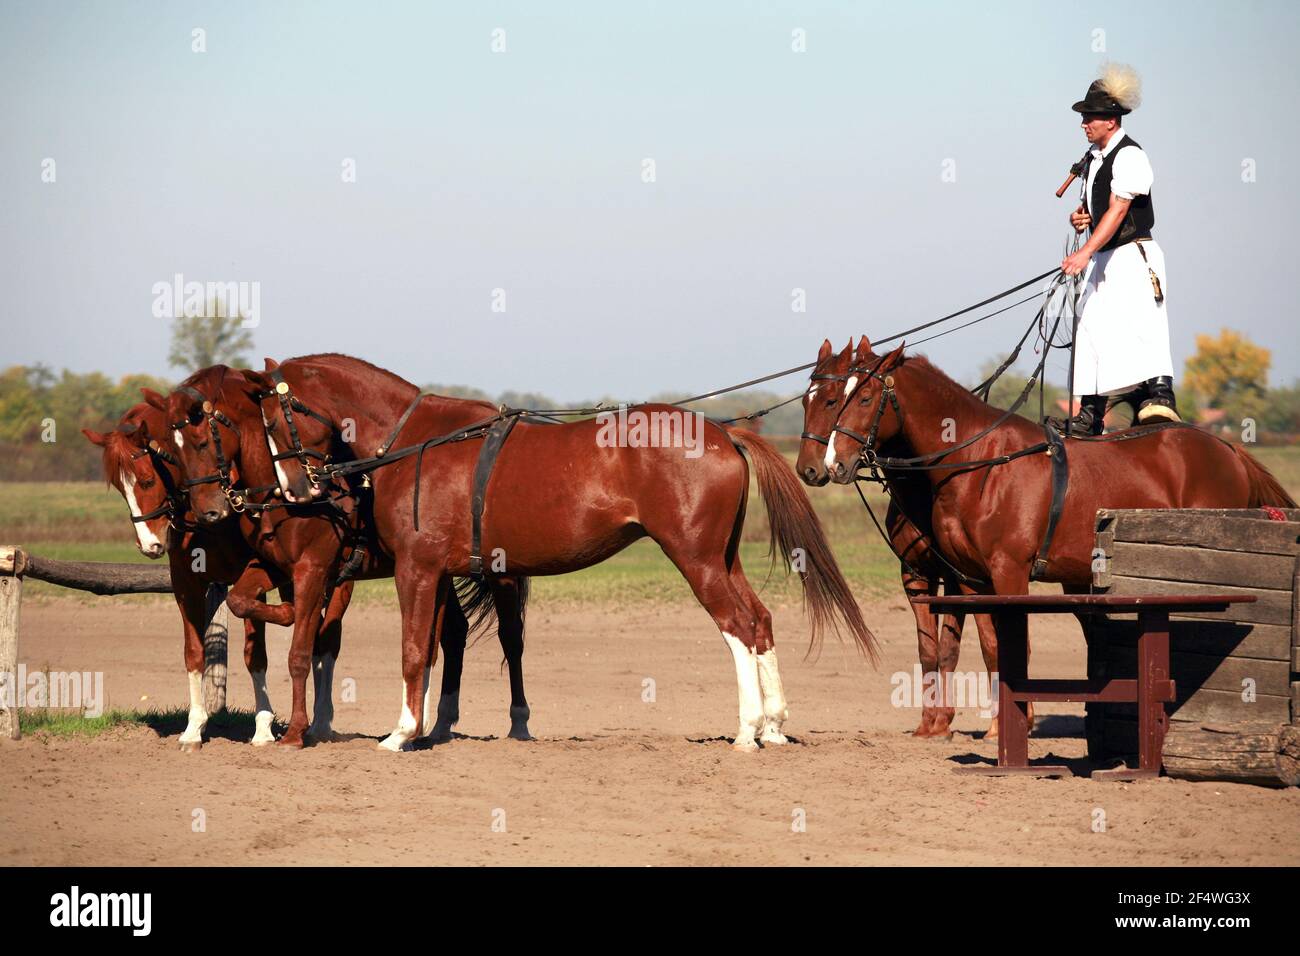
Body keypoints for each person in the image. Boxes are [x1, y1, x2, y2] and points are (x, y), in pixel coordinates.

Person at [1057, 63, 1179, 436]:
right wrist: (1086, 222)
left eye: (1089, 117)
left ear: (1111, 120)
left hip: (1132, 254)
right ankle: (1090, 413)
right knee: (1090, 326)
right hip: (1106, 255)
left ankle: (1160, 397)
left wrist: (1083, 252)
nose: (1084, 124)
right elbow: (1102, 213)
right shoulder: (1096, 159)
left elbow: (1120, 209)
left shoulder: (1130, 156)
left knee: (1143, 323)